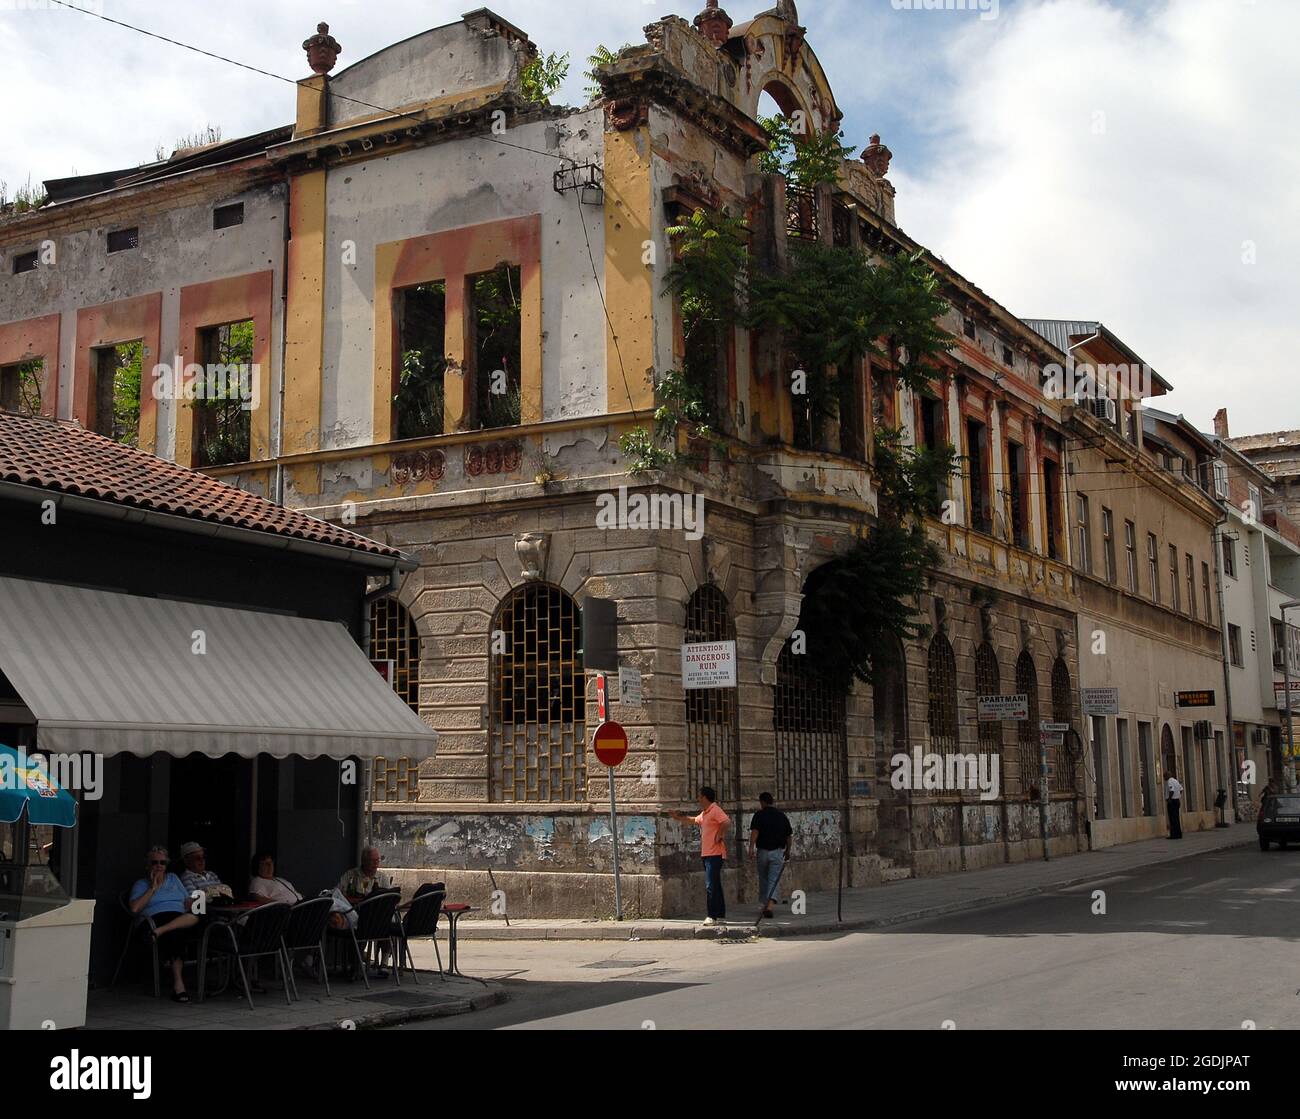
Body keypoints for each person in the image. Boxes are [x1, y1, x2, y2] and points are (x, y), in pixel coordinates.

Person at [128, 846, 201, 1002]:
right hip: (154, 919)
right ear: (148, 865)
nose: (159, 866)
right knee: (177, 933)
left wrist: (193, 900)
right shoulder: (141, 884)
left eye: (162, 862)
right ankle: (179, 985)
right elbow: (134, 909)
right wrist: (153, 888)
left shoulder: (174, 878)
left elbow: (186, 899)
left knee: (195, 917)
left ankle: (160, 931)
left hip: (175, 919)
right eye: (154, 862)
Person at [670, 787, 731, 926]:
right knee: (715, 885)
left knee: (710, 885)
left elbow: (726, 822)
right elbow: (693, 820)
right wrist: (677, 817)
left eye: (699, 796)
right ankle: (720, 915)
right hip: (708, 853)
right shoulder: (705, 813)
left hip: (715, 853)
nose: (698, 799)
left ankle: (711, 916)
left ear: (705, 797)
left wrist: (719, 835)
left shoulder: (715, 810)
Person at [749, 792, 792, 920]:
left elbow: (755, 832)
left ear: (762, 802)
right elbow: (789, 836)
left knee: (763, 878)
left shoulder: (759, 815)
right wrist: (788, 851)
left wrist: (751, 847)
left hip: (762, 851)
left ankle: (764, 904)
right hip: (777, 852)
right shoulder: (781, 816)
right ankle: (769, 906)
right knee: (774, 879)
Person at [1165, 770, 1184, 839]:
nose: (1164, 778)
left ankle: (1173, 835)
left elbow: (1171, 791)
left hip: (1172, 802)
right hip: (1177, 801)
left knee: (1172, 819)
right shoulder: (1176, 781)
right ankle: (1178, 834)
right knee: (1176, 818)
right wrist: (1178, 795)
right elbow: (1181, 789)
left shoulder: (1169, 781)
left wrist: (1170, 799)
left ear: (1168, 775)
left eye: (1165, 776)